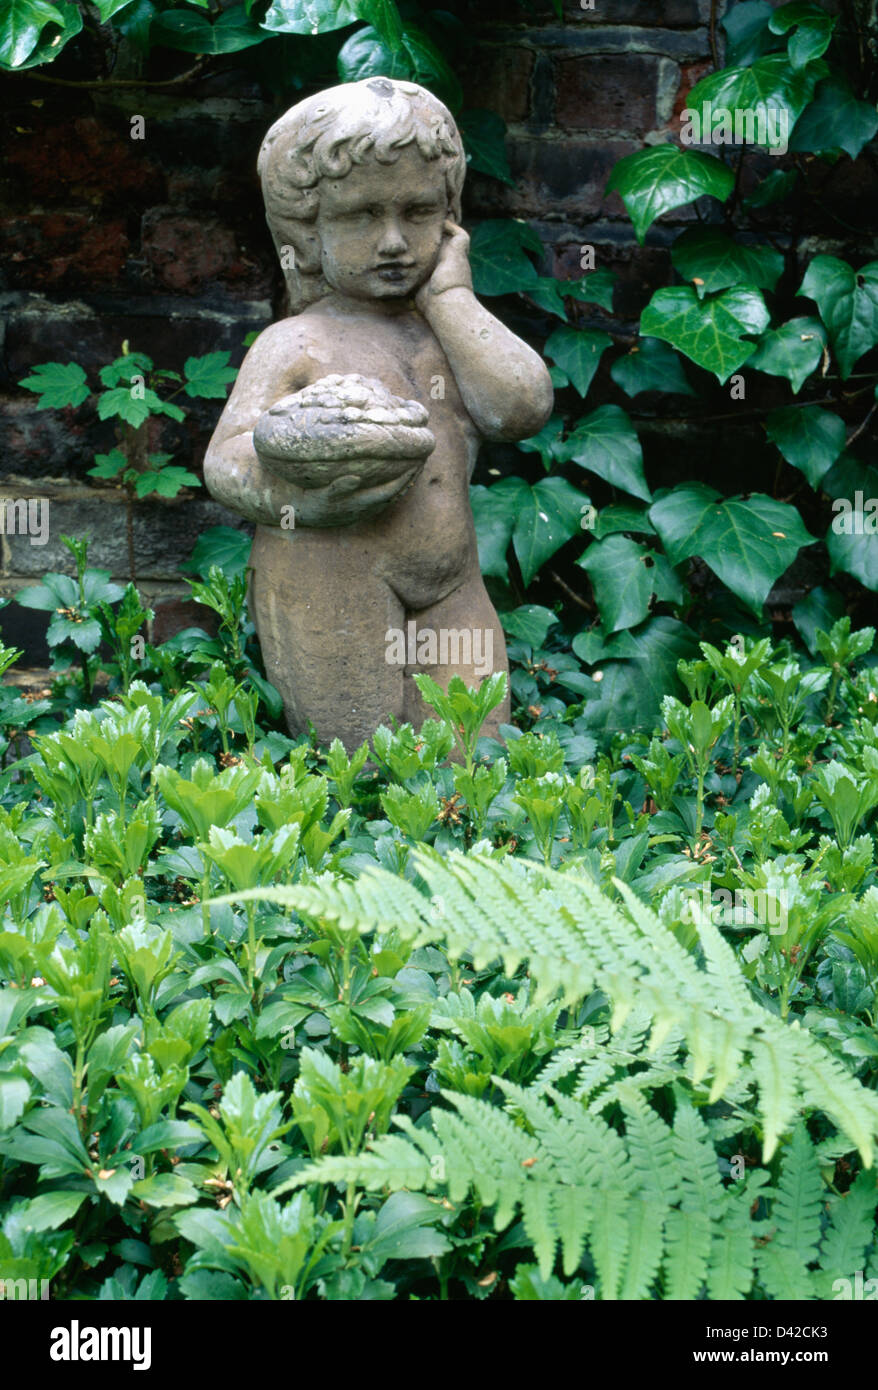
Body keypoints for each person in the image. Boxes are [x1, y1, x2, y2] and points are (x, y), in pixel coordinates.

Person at [205, 77, 553, 750]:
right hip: (331, 577)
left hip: (451, 582)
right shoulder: (296, 343)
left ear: (450, 219)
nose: (394, 240)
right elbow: (226, 460)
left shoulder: (448, 333)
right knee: (356, 764)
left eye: (419, 212)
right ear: (306, 234)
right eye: (361, 216)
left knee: (472, 758)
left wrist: (451, 296)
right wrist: (298, 487)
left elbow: (519, 409)